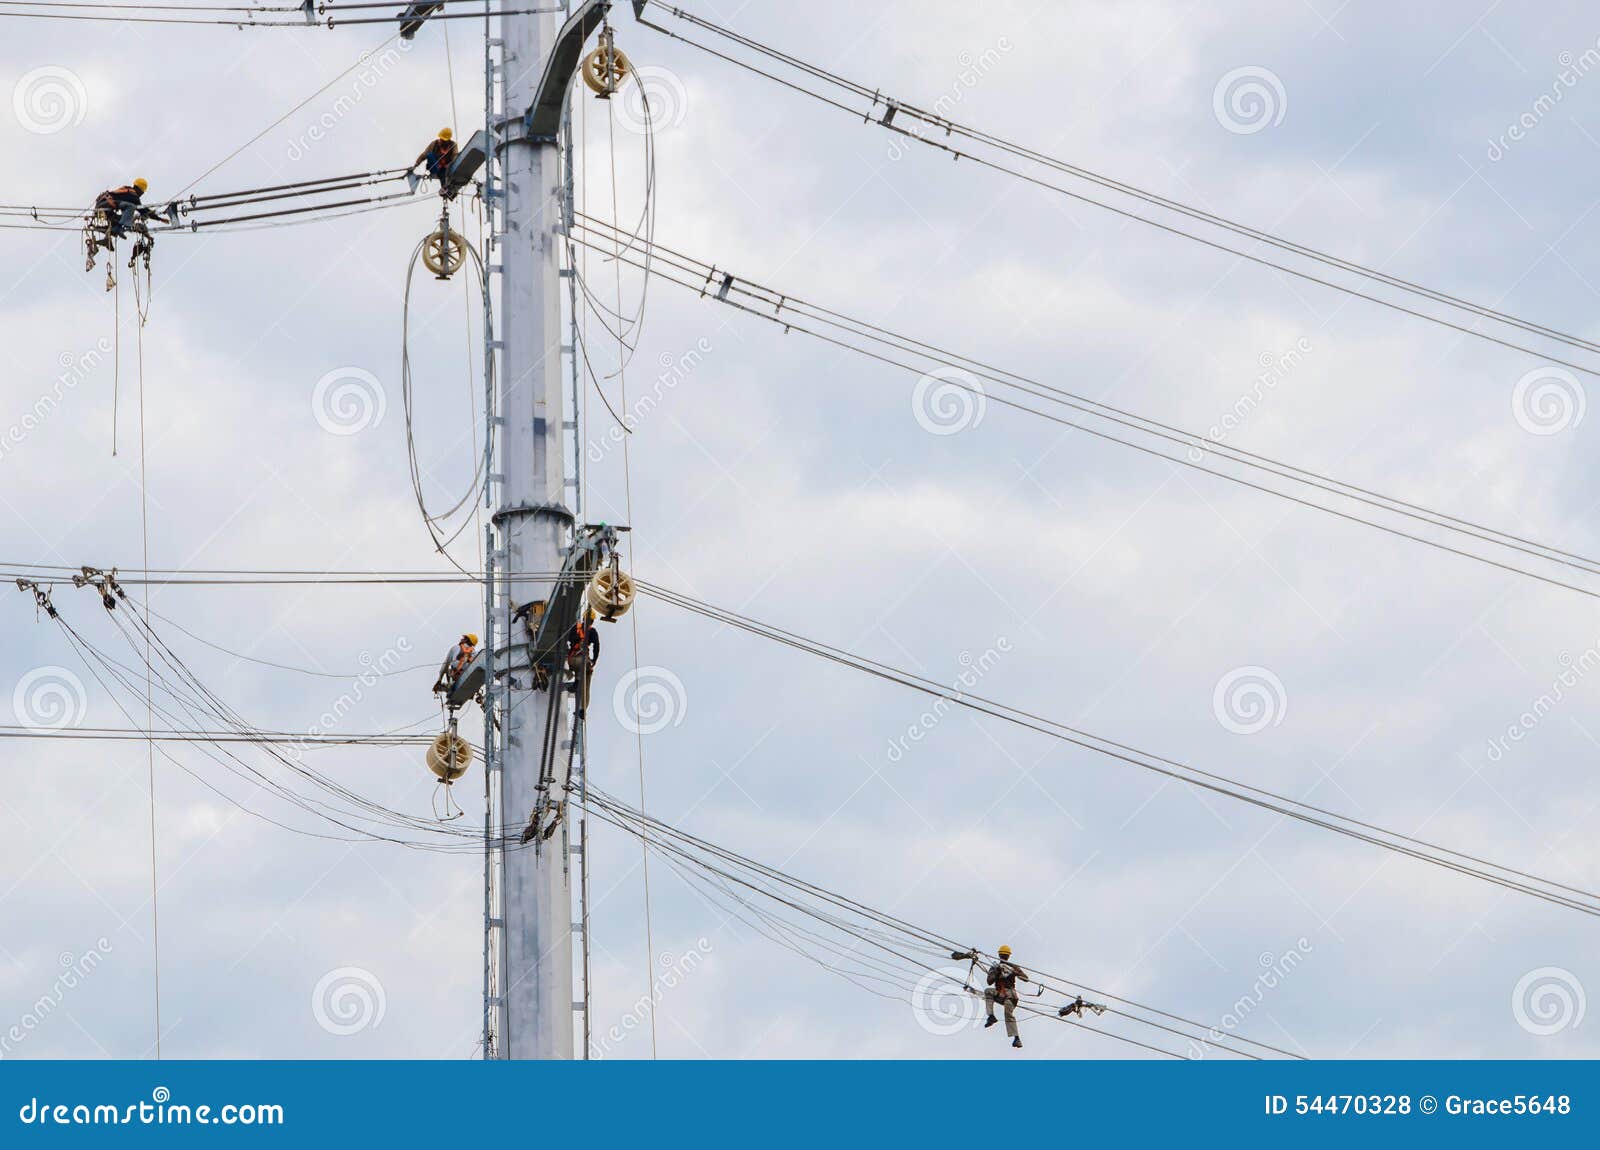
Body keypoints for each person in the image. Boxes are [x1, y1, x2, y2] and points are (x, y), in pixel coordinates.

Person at [984, 945, 1028, 1049]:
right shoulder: (996, 967)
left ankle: (1016, 1038)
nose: (1004, 956)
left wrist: (1014, 972)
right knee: (988, 992)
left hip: (1010, 995)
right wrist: (997, 972)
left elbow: (1026, 978)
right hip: (1000, 993)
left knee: (1008, 1014)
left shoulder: (1013, 967)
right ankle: (991, 1016)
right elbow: (989, 981)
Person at [563, 609, 599, 716]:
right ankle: (583, 709)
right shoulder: (592, 631)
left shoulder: (575, 628)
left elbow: (565, 638)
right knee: (586, 684)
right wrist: (594, 660)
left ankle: (577, 682)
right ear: (592, 621)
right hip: (582, 662)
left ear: (583, 618)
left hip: (572, 660)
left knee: (582, 673)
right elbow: (597, 646)